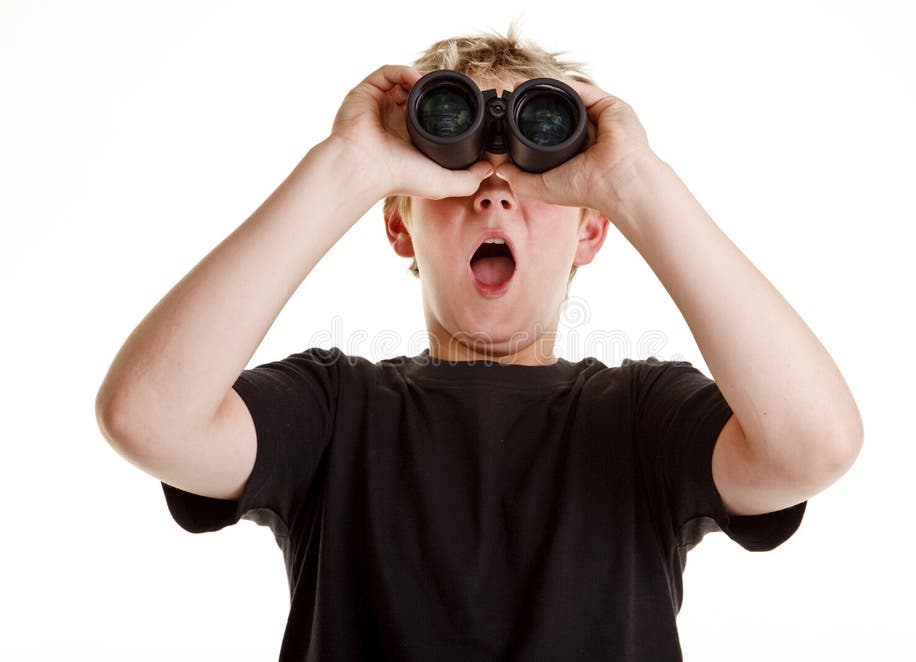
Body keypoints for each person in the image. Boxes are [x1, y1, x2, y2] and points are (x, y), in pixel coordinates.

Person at [95, 25, 863, 662]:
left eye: (532, 178)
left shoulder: (641, 418)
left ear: (591, 228)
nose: (495, 192)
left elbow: (814, 445)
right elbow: (148, 417)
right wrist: (348, 167)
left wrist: (633, 180)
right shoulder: (333, 411)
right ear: (399, 222)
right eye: (455, 176)